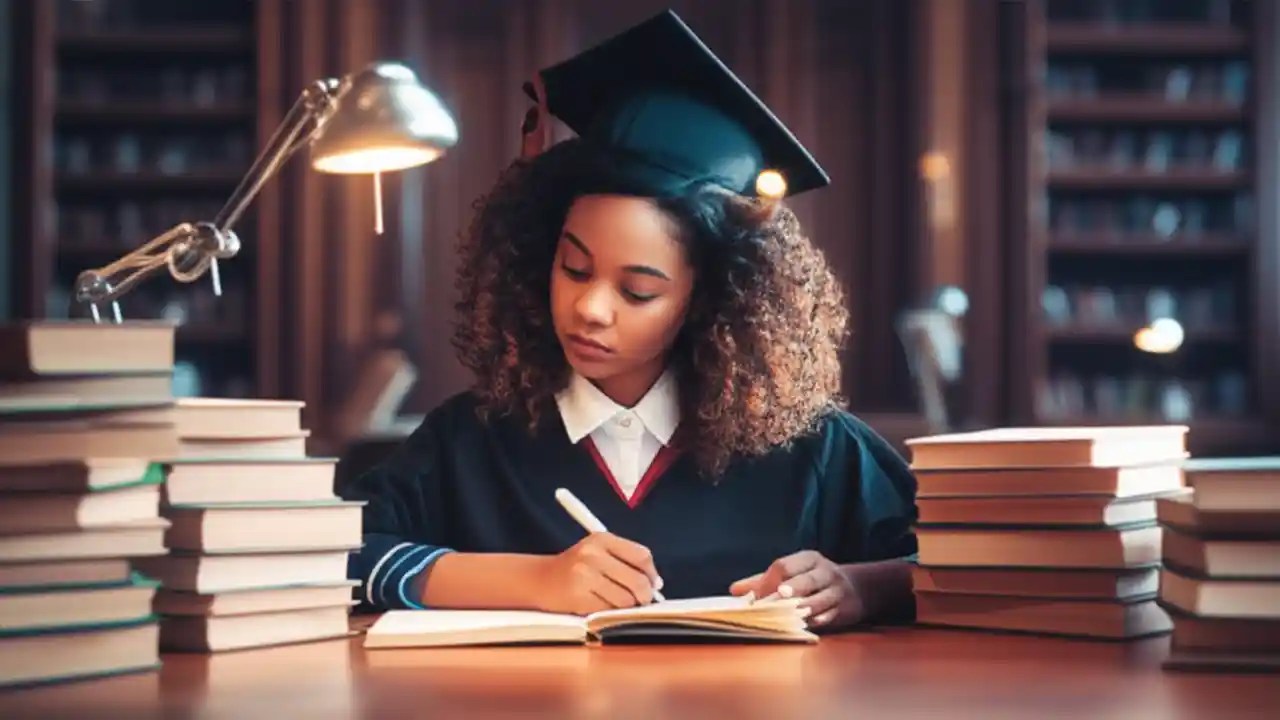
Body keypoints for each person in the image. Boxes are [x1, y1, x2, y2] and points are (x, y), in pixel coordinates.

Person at [341, 9, 917, 631]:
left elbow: (968, 563)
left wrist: (861, 587)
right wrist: (533, 580)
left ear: (709, 301)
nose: (590, 309)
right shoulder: (473, 440)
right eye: (575, 270)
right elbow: (338, 553)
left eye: (638, 291)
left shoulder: (811, 449)